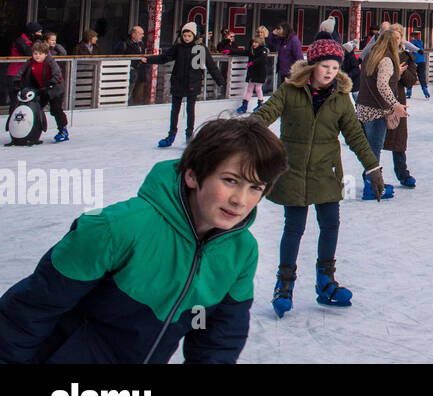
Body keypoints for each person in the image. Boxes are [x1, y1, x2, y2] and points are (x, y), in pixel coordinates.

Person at [0, 117, 288, 362]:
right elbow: (30, 310)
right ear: (192, 175)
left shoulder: (241, 252)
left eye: (255, 187)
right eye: (230, 180)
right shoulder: (114, 228)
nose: (240, 200)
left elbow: (219, 339)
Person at [252, 39, 385, 317]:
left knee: (330, 224)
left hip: (326, 171)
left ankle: (326, 281)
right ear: (312, 66)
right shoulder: (290, 91)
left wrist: (373, 168)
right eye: (325, 66)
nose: (329, 72)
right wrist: (243, 129)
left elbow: (355, 136)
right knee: (294, 228)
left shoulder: (340, 98)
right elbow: (266, 113)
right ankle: (284, 284)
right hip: (293, 170)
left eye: (335, 67)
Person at [144, 22, 225, 148]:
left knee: (190, 110)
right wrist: (149, 59)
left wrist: (220, 81)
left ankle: (189, 135)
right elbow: (164, 58)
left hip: (193, 83)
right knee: (175, 110)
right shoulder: (178, 47)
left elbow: (211, 66)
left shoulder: (200, 48)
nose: (186, 38)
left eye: (189, 36)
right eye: (185, 35)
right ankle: (171, 135)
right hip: (178, 82)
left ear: (194, 35)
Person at [354, 28, 406, 197]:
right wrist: (395, 104)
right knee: (374, 148)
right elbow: (382, 85)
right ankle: (372, 186)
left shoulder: (371, 55)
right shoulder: (386, 60)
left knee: (370, 148)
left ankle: (369, 179)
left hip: (364, 107)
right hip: (377, 110)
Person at [15, 40, 70, 142]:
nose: (37, 56)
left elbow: (57, 74)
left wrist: (51, 83)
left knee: (55, 110)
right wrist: (17, 81)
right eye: (35, 53)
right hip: (42, 89)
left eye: (40, 54)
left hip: (56, 89)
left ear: (45, 54)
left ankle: (63, 130)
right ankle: (31, 131)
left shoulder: (50, 61)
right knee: (35, 108)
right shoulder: (30, 62)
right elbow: (21, 72)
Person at [384, 51, 420, 187]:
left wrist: (401, 73)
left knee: (398, 139)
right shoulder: (377, 53)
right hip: (377, 101)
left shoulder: (405, 57)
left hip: (397, 101)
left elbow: (411, 81)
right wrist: (394, 73)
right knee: (374, 141)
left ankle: (402, 173)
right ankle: (371, 175)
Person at [236, 26, 271, 114]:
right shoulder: (252, 50)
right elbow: (245, 52)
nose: (254, 44)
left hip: (260, 72)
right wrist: (231, 51)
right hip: (252, 72)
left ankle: (260, 104)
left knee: (258, 88)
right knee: (249, 88)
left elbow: (262, 59)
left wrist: (252, 63)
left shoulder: (263, 50)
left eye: (261, 33)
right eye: (253, 42)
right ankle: (244, 105)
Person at [121, 25, 149, 105]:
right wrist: (128, 67)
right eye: (140, 34)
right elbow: (118, 57)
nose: (143, 36)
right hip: (129, 74)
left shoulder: (141, 44)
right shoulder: (124, 44)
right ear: (133, 34)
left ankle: (136, 110)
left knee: (138, 96)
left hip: (141, 73)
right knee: (127, 94)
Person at [407, 34, 430, 100]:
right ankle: (425, 91)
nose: (410, 38)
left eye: (410, 37)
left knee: (411, 76)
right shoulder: (421, 44)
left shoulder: (411, 44)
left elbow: (407, 50)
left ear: (413, 37)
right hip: (422, 62)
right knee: (422, 76)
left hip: (414, 61)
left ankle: (408, 93)